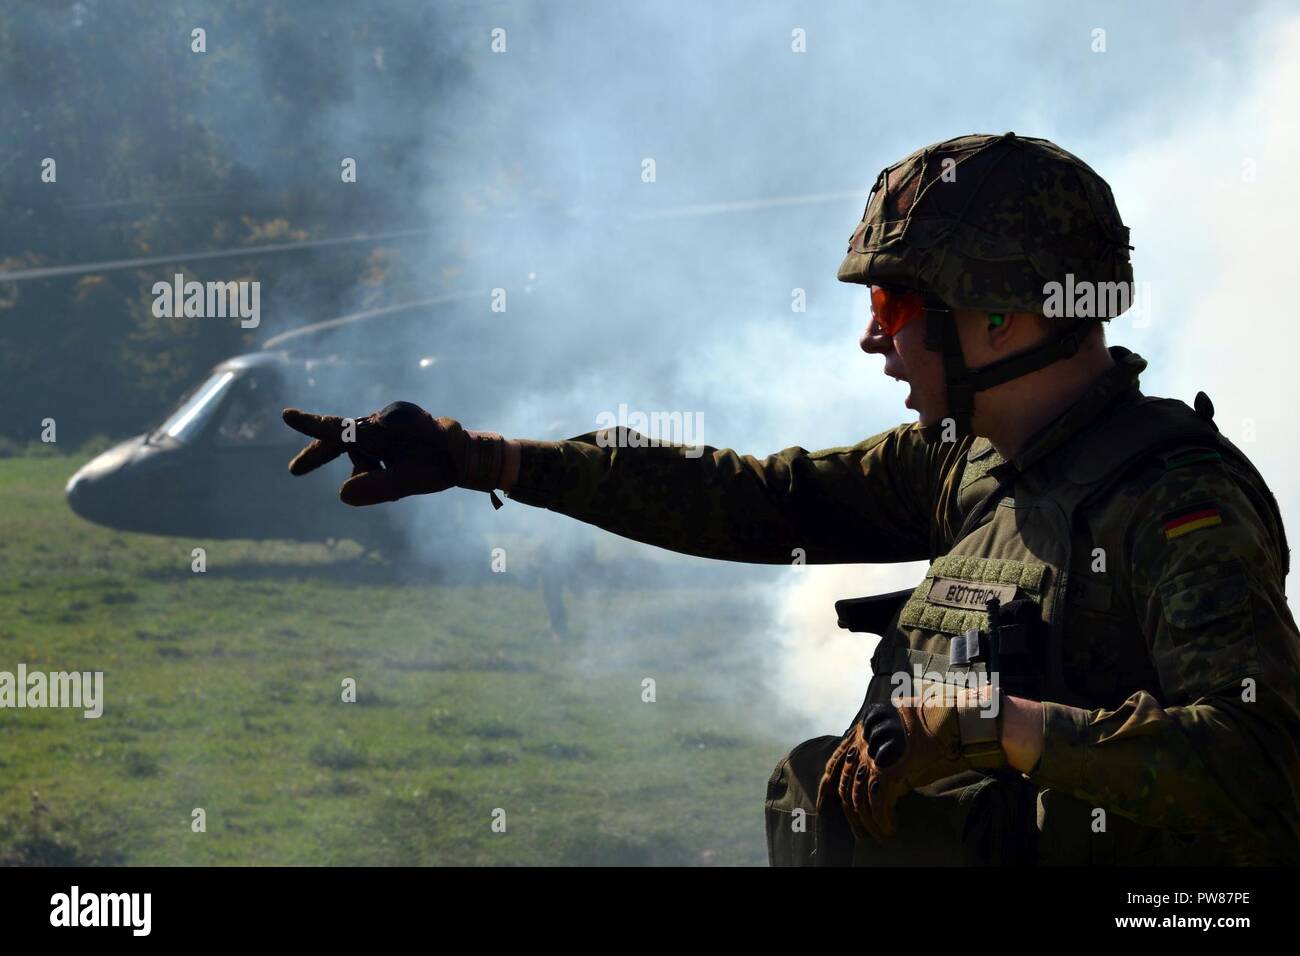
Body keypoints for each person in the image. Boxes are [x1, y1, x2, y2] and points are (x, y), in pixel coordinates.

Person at [283, 133, 1300, 865]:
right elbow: (759, 500)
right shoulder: (967, 462)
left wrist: (995, 721)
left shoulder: (1176, 506)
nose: (873, 338)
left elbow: (1262, 771)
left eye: (894, 304)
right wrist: (485, 457)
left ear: (999, 313)